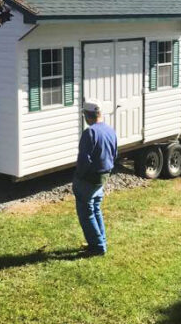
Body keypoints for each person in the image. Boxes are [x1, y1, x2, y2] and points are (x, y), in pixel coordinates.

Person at [73, 99, 117, 256]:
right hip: (103, 176)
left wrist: (79, 176)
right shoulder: (110, 130)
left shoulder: (90, 132)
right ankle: (101, 241)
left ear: (87, 115)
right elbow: (114, 154)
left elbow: (84, 160)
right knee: (96, 208)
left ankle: (97, 247)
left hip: (89, 178)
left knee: (86, 213)